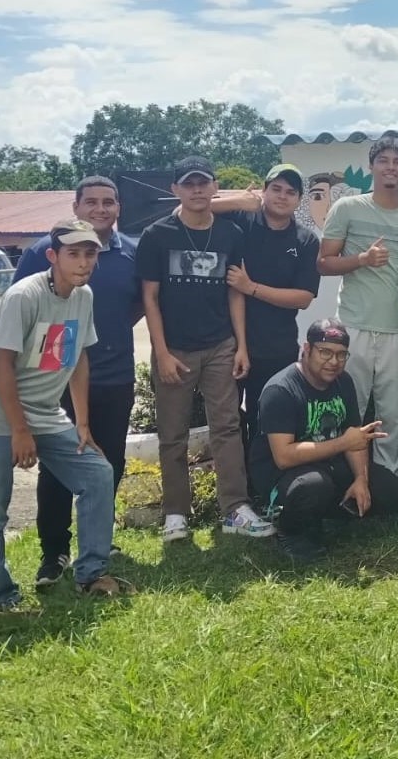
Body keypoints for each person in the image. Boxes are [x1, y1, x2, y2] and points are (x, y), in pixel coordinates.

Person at [0, 219, 122, 608]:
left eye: (90, 254)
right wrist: (19, 430)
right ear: (52, 256)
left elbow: (79, 356)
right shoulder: (23, 296)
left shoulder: (84, 297)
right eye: (73, 254)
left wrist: (82, 423)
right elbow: (1, 364)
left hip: (46, 412)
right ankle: (0, 599)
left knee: (97, 474)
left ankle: (92, 573)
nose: (83, 262)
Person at [136, 155, 274, 542]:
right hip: (175, 349)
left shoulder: (231, 235)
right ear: (175, 190)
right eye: (188, 184)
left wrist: (241, 345)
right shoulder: (157, 235)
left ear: (215, 188)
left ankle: (235, 508)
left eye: (203, 183)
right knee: (173, 434)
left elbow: (236, 292)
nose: (197, 190)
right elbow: (150, 298)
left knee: (227, 427)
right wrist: (161, 352)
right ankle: (176, 513)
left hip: (220, 346)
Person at [12, 176, 140, 587]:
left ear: (118, 208)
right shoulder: (40, 252)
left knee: (109, 463)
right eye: (92, 203)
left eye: (109, 202)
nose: (100, 209)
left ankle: (98, 542)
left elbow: (137, 304)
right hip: (57, 382)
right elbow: (23, 309)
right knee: (57, 469)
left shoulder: (130, 254)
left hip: (114, 375)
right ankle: (54, 553)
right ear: (76, 207)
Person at [247, 319, 398, 562]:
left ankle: (327, 518)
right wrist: (344, 443)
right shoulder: (280, 390)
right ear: (307, 349)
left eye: (341, 355)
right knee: (312, 487)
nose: (334, 362)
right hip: (284, 475)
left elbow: (355, 438)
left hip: (329, 465)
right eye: (325, 352)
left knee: (389, 491)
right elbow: (283, 457)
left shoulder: (344, 382)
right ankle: (288, 530)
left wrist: (361, 480)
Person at [318, 136, 398, 475]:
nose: (390, 167)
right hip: (353, 327)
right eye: (383, 160)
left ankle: (386, 486)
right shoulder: (348, 209)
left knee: (392, 416)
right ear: (371, 167)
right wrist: (362, 260)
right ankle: (341, 482)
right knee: (347, 411)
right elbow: (323, 263)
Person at [210, 163, 321, 448]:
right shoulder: (242, 221)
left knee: (269, 420)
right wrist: (238, 200)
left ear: (299, 200)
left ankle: (267, 486)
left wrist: (252, 288)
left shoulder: (306, 240)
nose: (282, 196)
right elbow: (186, 209)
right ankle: (238, 486)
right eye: (276, 189)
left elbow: (304, 297)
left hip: (277, 345)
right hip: (228, 342)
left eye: (291, 192)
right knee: (228, 421)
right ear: (264, 191)